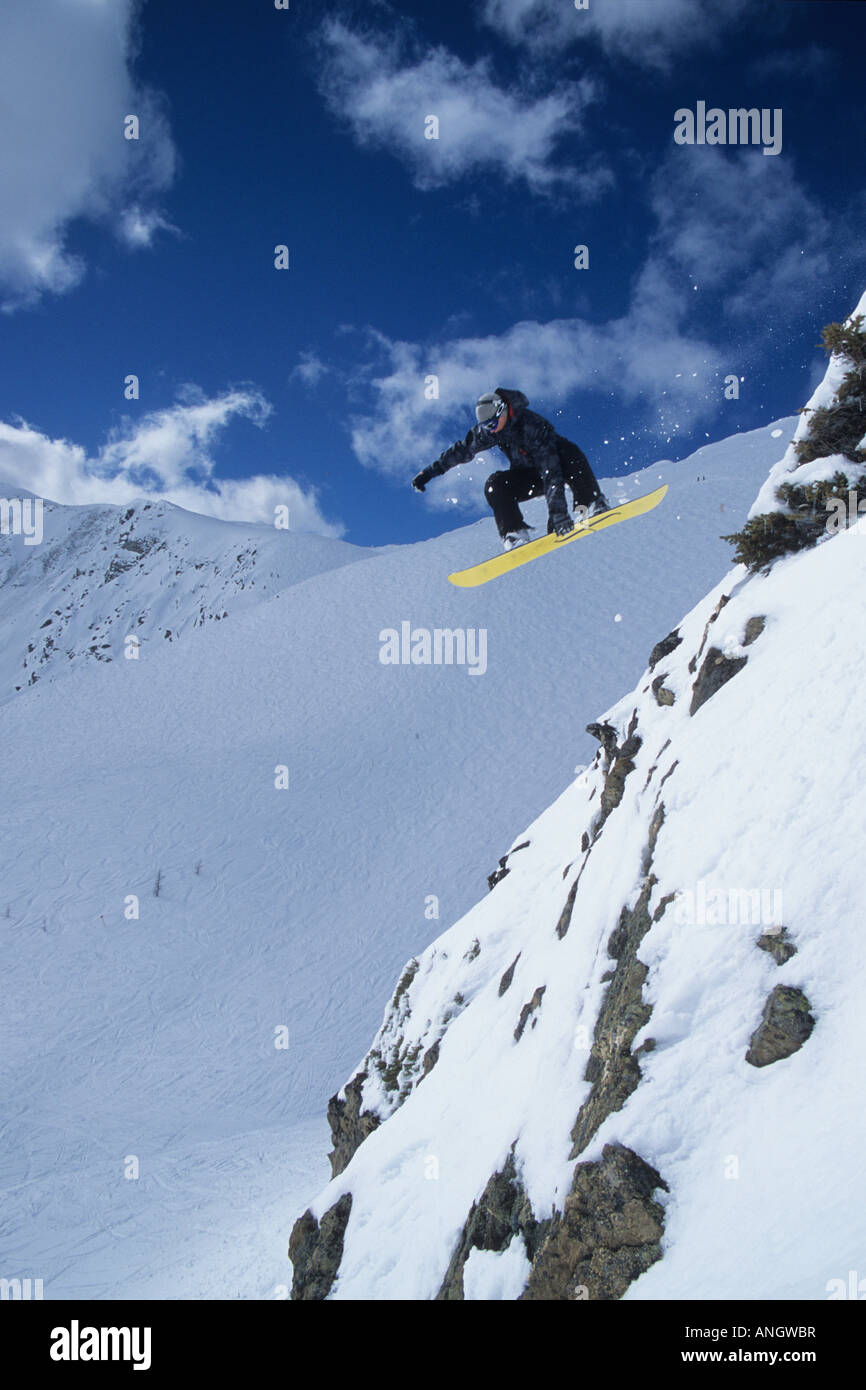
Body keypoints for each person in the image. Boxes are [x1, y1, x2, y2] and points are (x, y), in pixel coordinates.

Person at [413, 388, 609, 549]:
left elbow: (551, 470)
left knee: (570, 454)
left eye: (492, 424)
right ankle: (514, 532)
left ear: (503, 412)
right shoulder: (489, 432)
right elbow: (462, 450)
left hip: (558, 466)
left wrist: (557, 513)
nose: (490, 429)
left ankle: (591, 502)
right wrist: (429, 473)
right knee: (495, 484)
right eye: (485, 426)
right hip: (530, 476)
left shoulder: (531, 425)